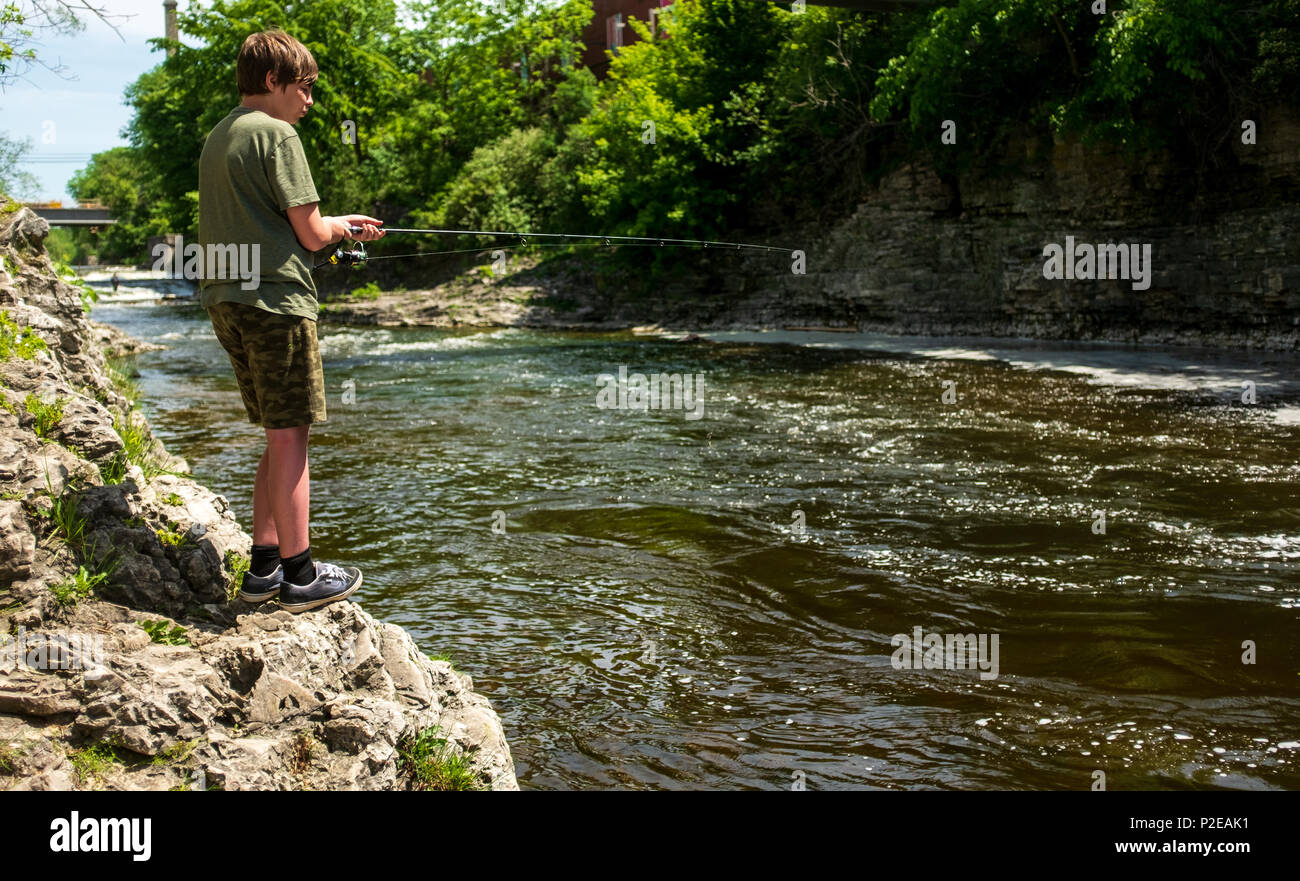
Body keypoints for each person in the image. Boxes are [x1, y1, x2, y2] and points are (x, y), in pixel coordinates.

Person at [197, 28, 384, 613]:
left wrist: (336, 226)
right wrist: (337, 229)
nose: (309, 100)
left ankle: (263, 566)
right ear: (274, 81)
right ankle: (301, 575)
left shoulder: (219, 136)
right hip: (277, 305)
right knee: (293, 435)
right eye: (303, 87)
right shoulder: (278, 136)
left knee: (277, 436)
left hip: (227, 299)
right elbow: (310, 232)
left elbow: (283, 227)